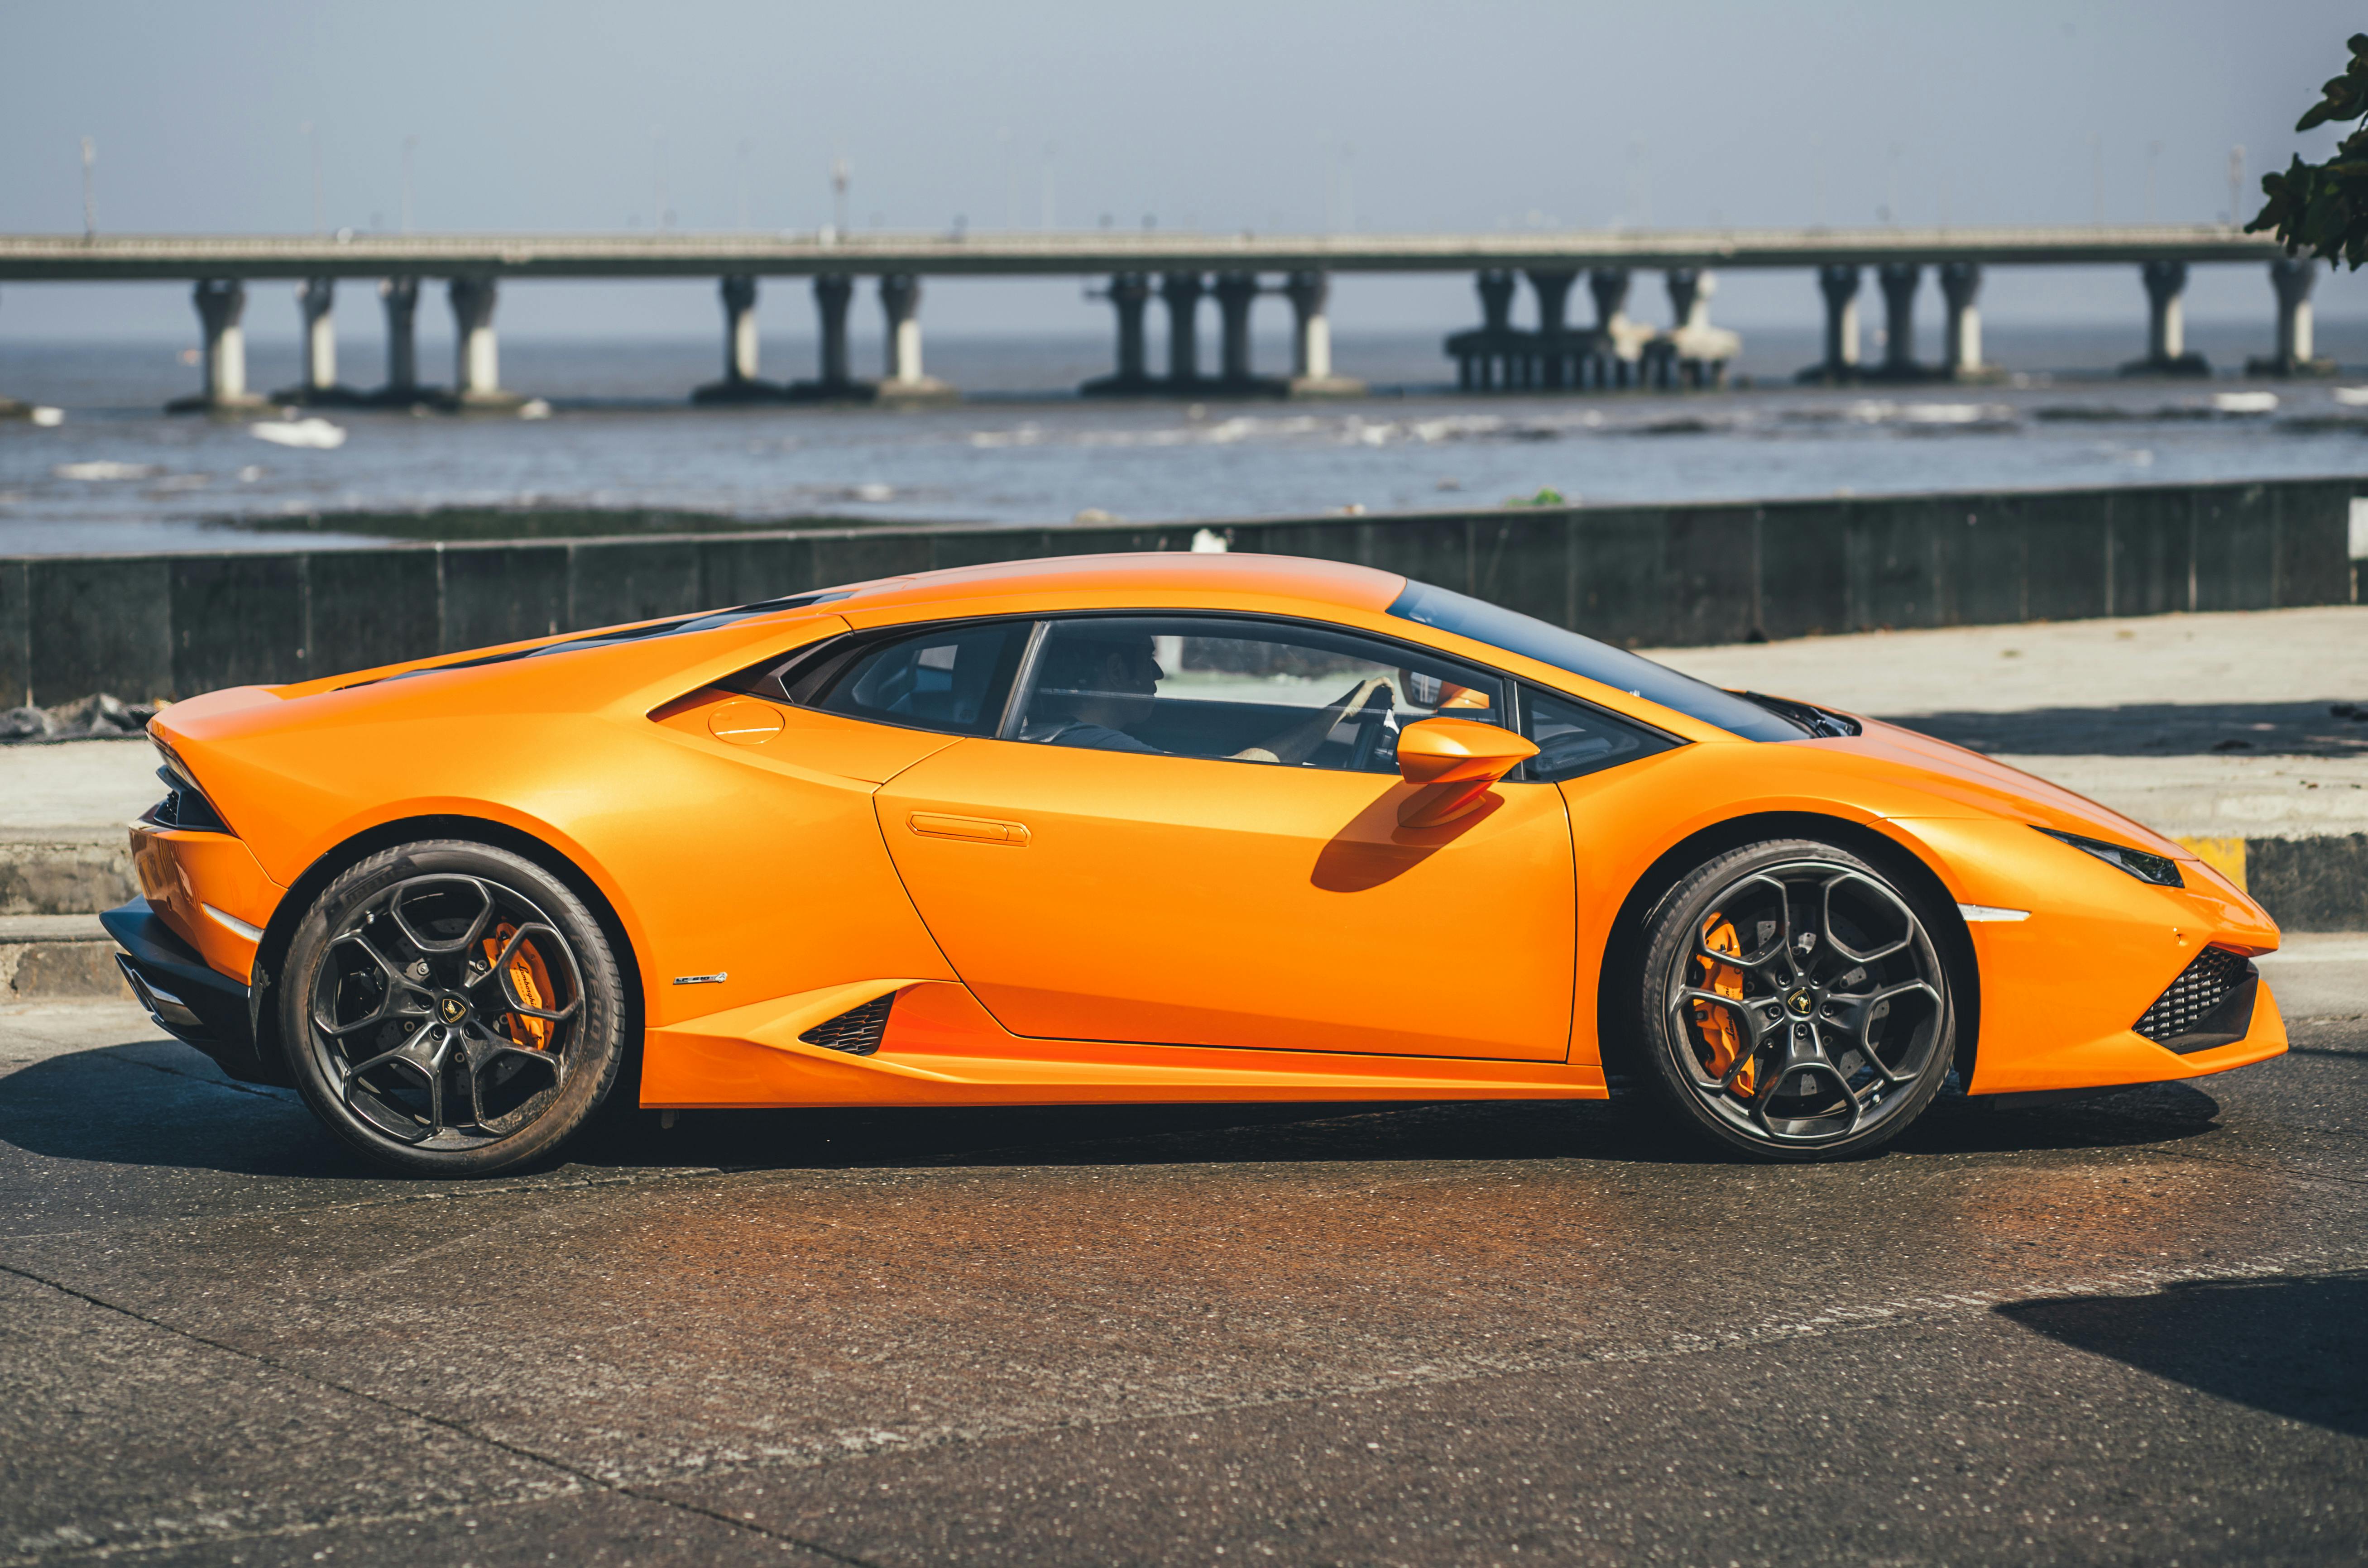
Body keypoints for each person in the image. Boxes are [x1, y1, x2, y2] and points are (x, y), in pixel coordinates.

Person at [1021, 631, 1392, 765]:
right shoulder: (1092, 745)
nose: (1160, 674)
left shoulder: (1065, 735)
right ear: (1117, 671)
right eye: (1149, 660)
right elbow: (1232, 779)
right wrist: (1335, 714)